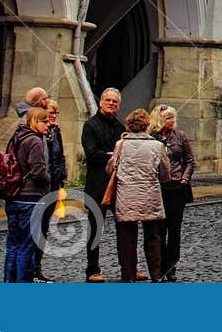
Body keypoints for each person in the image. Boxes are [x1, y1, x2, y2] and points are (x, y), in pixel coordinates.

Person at [110, 108, 170, 282]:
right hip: (150, 197)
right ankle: (156, 275)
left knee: (127, 239)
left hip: (126, 197)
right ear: (147, 125)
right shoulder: (158, 146)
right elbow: (166, 174)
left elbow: (110, 168)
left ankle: (128, 276)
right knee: (153, 238)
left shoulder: (120, 145)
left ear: (129, 124)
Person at [1, 106, 52, 283]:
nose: (48, 125)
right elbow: (37, 171)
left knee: (13, 245)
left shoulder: (16, 137)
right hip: (30, 198)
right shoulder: (35, 141)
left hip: (13, 196)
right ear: (34, 121)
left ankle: (9, 281)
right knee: (26, 247)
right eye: (44, 121)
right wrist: (48, 179)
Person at [79, 88, 125, 282]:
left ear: (119, 105)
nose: (111, 103)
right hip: (96, 185)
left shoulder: (120, 126)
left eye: (115, 101)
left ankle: (128, 268)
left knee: (125, 226)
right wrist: (110, 155)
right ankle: (92, 270)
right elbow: (91, 153)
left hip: (117, 185)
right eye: (108, 100)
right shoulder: (90, 125)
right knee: (95, 227)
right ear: (100, 102)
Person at [150, 105, 196, 282]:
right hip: (159, 187)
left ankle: (171, 266)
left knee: (174, 229)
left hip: (177, 186)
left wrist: (184, 179)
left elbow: (190, 160)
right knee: (159, 230)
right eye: (168, 117)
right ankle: (159, 266)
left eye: (173, 117)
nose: (171, 121)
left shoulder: (180, 136)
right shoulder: (152, 138)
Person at [34, 99, 68, 281]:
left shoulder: (55, 132)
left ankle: (37, 268)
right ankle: (29, 269)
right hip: (40, 188)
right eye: (50, 112)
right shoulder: (38, 134)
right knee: (35, 228)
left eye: (56, 113)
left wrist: (61, 179)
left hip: (53, 185)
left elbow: (60, 156)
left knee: (44, 228)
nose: (53, 116)